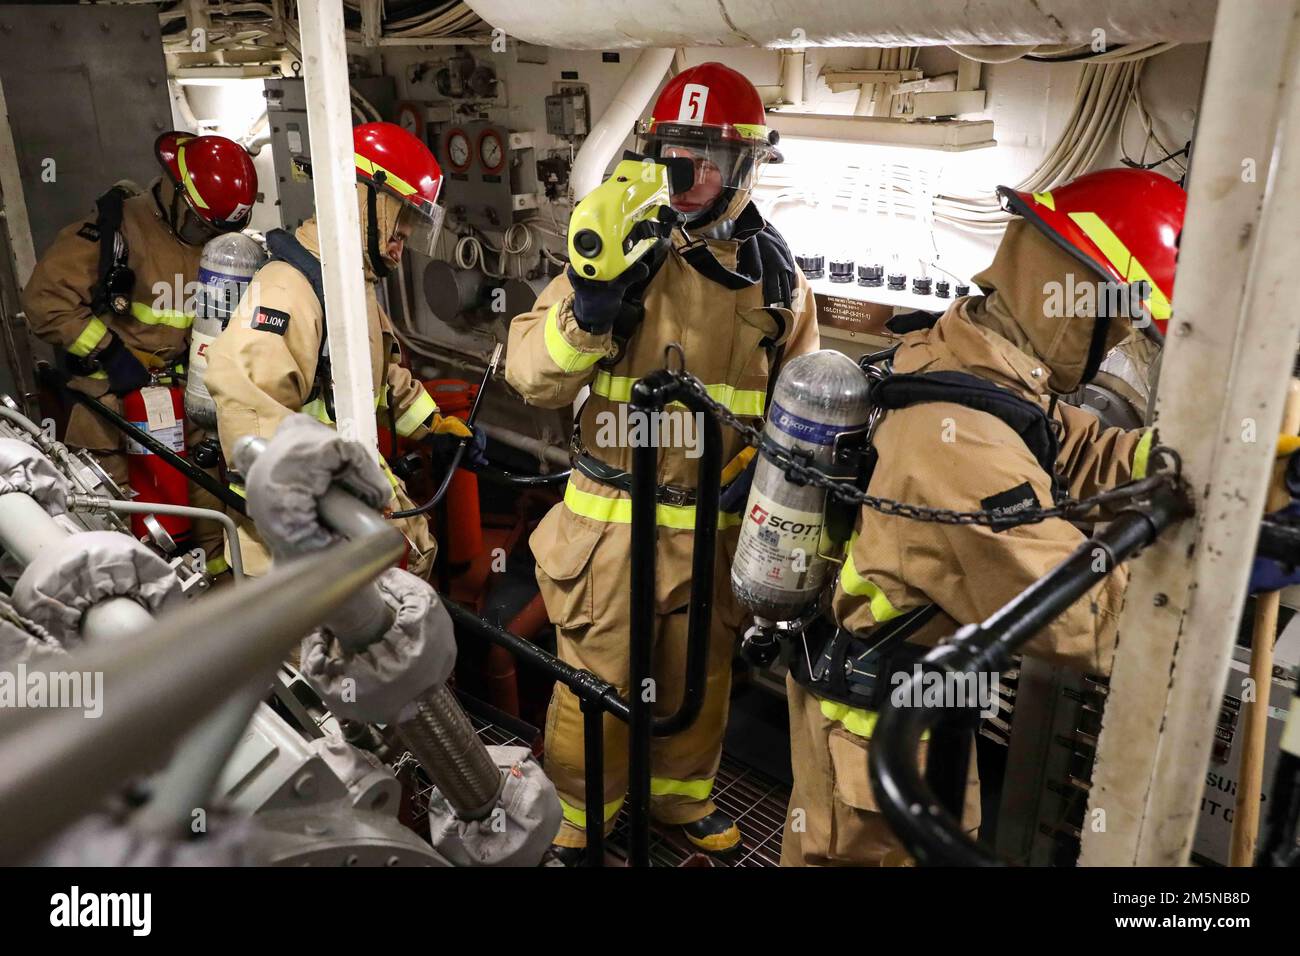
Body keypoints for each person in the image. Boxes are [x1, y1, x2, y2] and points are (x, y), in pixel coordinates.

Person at [781, 168, 1187, 866]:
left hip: (898, 700)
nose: (1116, 342)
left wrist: (1174, 460)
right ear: (1074, 303)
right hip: (875, 732)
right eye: (1116, 323)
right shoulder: (962, 443)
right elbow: (1083, 620)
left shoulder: (969, 357)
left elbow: (1072, 444)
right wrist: (1207, 569)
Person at [507, 61, 820, 862]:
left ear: (745, 167)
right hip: (611, 523)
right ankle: (581, 809)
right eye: (677, 149)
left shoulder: (778, 277)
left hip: (712, 523)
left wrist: (774, 473)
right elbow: (532, 377)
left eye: (710, 154)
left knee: (702, 675)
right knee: (597, 684)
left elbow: (801, 399)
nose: (689, 172)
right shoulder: (614, 244)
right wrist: (587, 309)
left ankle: (681, 797)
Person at [204, 122, 469, 578]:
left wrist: (435, 426)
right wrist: (331, 503)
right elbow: (250, 412)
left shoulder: (347, 281)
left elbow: (378, 379)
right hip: (300, 559)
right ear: (362, 200)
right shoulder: (288, 290)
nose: (404, 234)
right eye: (400, 214)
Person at [22, 132, 257, 574]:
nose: (205, 237)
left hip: (189, 410)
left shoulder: (218, 250)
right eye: (198, 225)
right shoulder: (116, 231)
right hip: (112, 413)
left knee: (220, 533)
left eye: (217, 231)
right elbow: (44, 302)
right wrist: (110, 353)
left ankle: (227, 622)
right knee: (132, 544)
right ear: (173, 192)